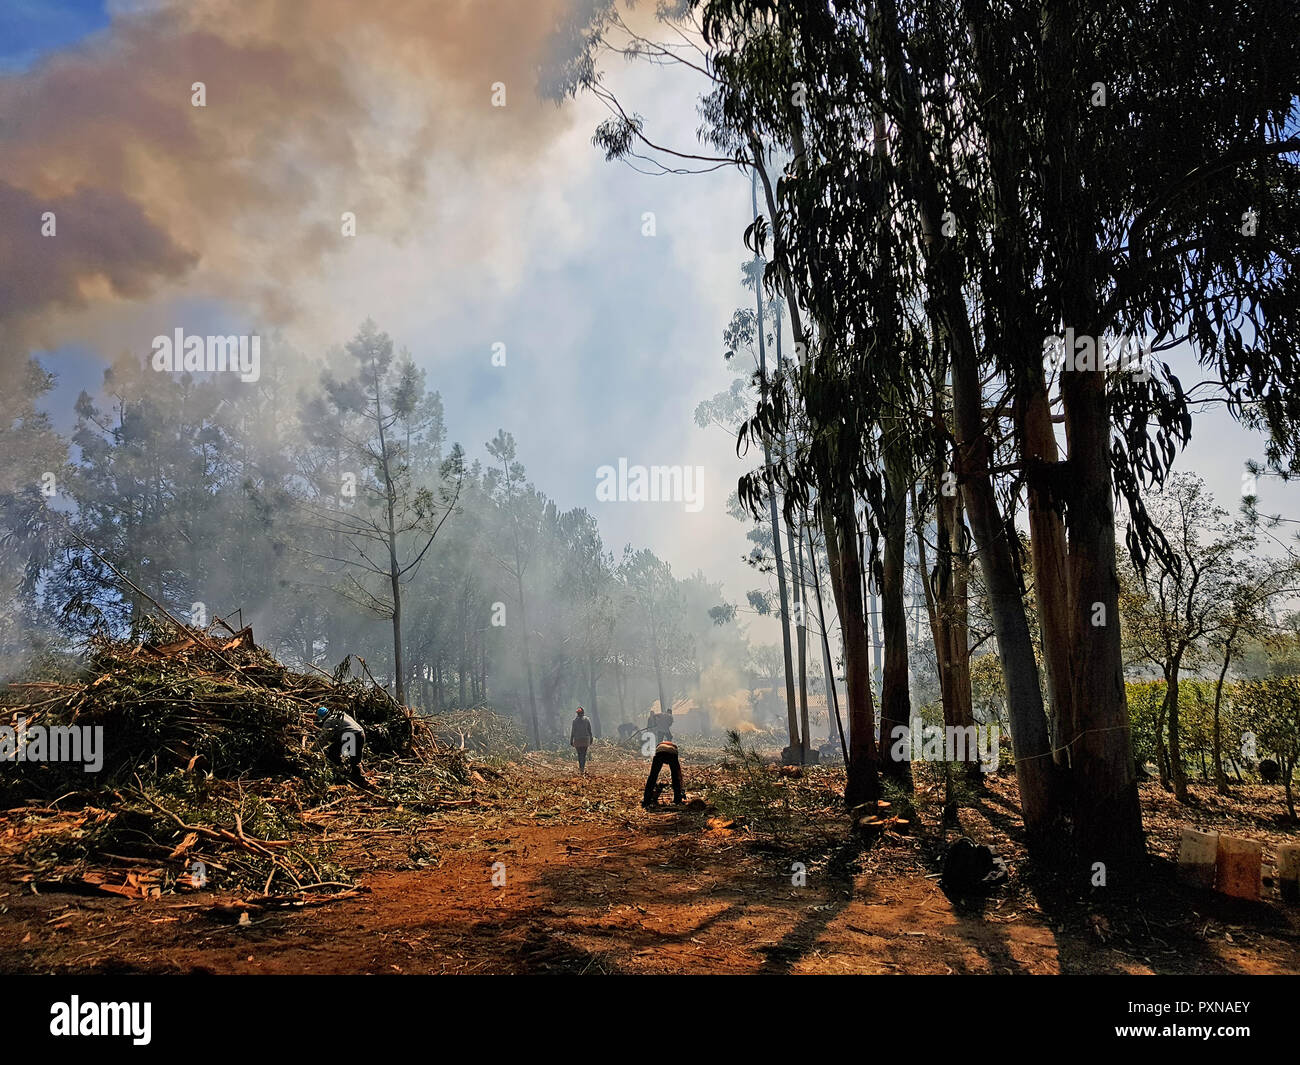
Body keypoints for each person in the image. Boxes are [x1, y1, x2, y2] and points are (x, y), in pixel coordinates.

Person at [316, 705, 366, 784]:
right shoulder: (342, 715)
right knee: (356, 759)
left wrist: (314, 748)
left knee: (333, 750)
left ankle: (340, 771)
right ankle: (361, 778)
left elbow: (323, 738)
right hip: (361, 734)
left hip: (351, 735)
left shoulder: (328, 721)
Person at [642, 739, 685, 808]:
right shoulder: (674, 748)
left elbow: (655, 755)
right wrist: (681, 789)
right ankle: (677, 800)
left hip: (660, 752)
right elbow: (678, 774)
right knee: (675, 777)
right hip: (672, 753)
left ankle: (646, 800)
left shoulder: (659, 745)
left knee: (653, 776)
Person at [570, 706, 594, 775]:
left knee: (580, 755)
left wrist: (571, 740)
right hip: (585, 740)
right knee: (583, 754)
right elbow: (589, 730)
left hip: (577, 741)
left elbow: (573, 732)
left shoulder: (574, 721)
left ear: (577, 714)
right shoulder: (587, 720)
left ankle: (581, 768)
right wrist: (591, 738)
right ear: (583, 713)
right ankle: (582, 768)